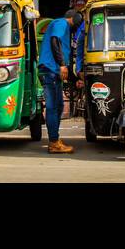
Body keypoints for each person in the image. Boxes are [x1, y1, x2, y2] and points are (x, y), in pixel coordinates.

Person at [37, 8, 83, 154]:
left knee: (59, 106)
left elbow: (66, 56)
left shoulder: (66, 31)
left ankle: (54, 140)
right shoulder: (61, 23)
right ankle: (53, 142)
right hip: (50, 70)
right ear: (74, 18)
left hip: (54, 72)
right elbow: (54, 40)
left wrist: (74, 78)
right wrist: (62, 64)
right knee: (52, 107)